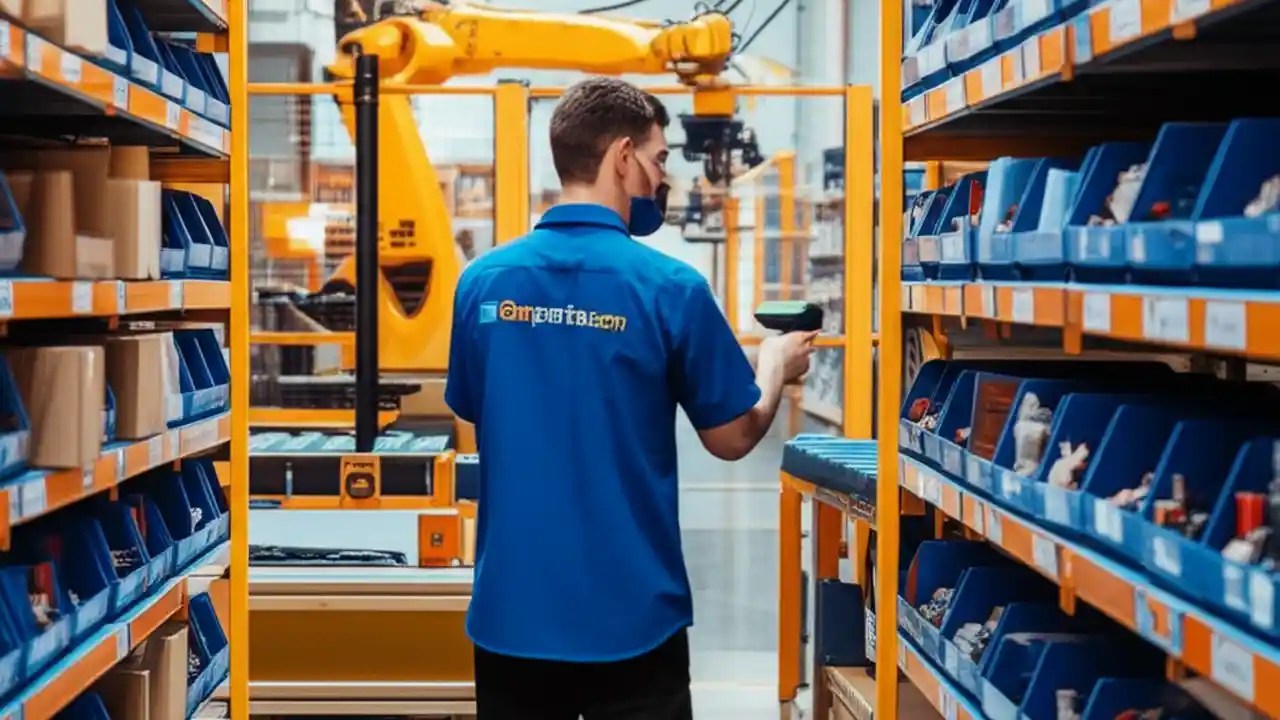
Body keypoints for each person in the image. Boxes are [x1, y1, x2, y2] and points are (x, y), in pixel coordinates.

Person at [444, 77, 816, 720]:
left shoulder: (482, 283)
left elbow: (475, 409)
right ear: (622, 157)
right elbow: (730, 438)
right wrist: (775, 365)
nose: (661, 176)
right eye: (660, 158)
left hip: (515, 610)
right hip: (633, 614)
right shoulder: (670, 288)